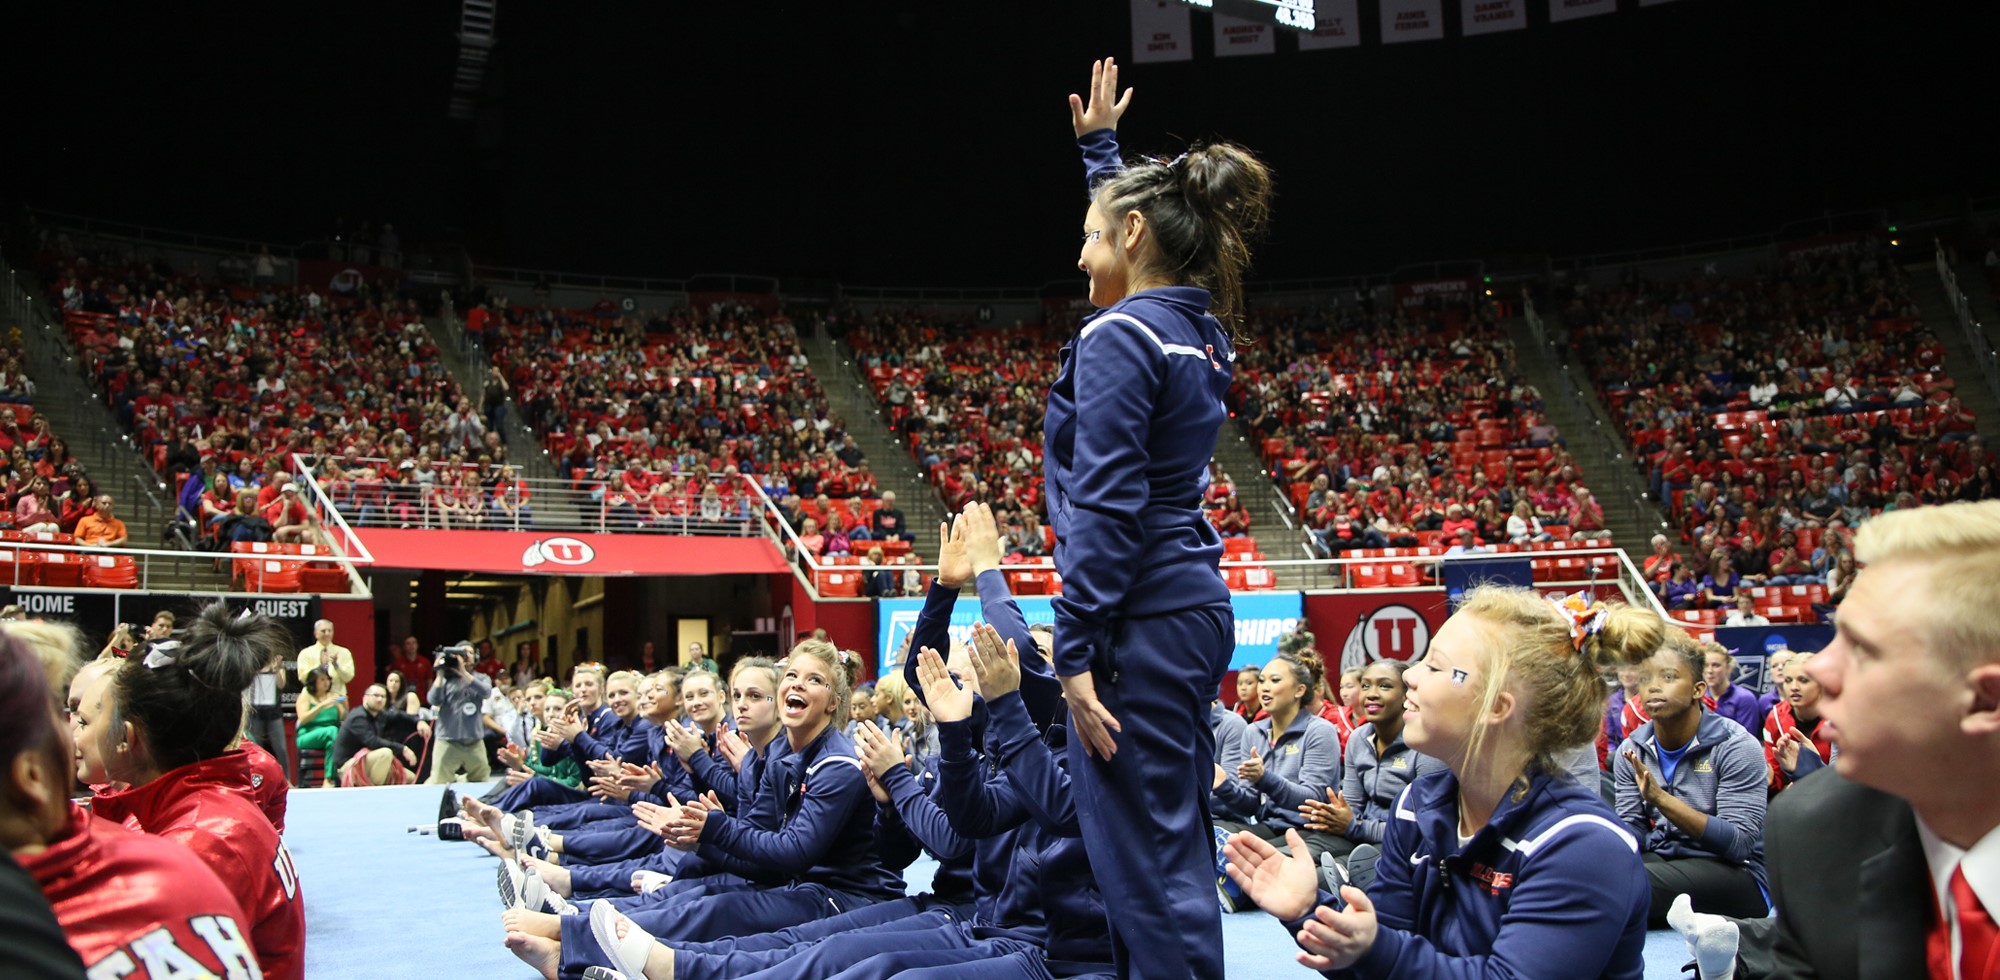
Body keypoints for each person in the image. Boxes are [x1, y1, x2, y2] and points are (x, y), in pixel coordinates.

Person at [1053, 56, 1273, 980]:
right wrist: (1101, 153)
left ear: (1134, 231)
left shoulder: (1118, 334)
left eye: (1090, 235)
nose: (1079, 254)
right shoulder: (1196, 323)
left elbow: (1105, 505)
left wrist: (1070, 651)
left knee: (1147, 869)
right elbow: (1141, 234)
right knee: (1165, 846)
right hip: (1181, 607)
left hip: (1136, 618)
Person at [1222, 587, 1653, 978]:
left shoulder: (1583, 844)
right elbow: (1382, 969)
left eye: (1433, 666)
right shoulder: (1417, 804)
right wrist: (1309, 910)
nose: (1410, 676)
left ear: (1496, 706)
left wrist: (1377, 947)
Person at [0, 623, 251, 980]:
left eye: (80, 717)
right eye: (64, 714)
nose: (73, 732)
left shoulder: (191, 847)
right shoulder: (166, 853)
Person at [71, 602, 307, 979]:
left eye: (87, 719)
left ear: (127, 738)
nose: (75, 732)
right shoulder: (204, 809)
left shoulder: (201, 841)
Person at [1613, 628, 1769, 926]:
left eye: (1668, 677)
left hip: (1737, 874)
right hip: (1666, 859)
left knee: (1622, 884)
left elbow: (1738, 844)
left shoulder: (1736, 745)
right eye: (1646, 679)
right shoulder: (1631, 750)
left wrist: (1661, 800)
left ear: (1698, 689)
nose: (1653, 688)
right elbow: (1632, 828)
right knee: (1595, 872)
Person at [1299, 660, 1448, 894]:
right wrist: (1333, 817)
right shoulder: (1359, 739)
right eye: (1366, 686)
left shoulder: (1425, 746)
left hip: (1404, 840)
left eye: (1385, 686)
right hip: (1361, 833)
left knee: (1313, 880)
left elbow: (1423, 827)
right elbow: (1353, 806)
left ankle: (1352, 881)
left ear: (1406, 696)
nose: (1371, 694)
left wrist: (1356, 826)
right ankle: (1349, 880)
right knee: (1299, 859)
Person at [1212, 649, 1343, 893]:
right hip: (1271, 826)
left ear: (1299, 690)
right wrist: (1223, 786)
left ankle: (1239, 887)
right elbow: (1250, 805)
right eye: (1262, 680)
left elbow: (1312, 798)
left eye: (1275, 680)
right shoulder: (1254, 732)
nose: (1264, 688)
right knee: (1217, 837)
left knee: (1263, 858)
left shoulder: (1320, 731)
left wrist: (1264, 778)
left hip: (1312, 830)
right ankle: (1234, 883)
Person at [1761, 651, 1834, 791]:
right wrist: (1767, 777)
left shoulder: (1838, 716)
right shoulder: (1775, 717)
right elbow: (1776, 777)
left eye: (1803, 680)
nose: (1794, 687)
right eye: (1788, 680)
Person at [331, 683, 423, 784]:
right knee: (385, 754)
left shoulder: (380, 715)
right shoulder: (358, 717)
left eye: (383, 696)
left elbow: (399, 716)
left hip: (370, 762)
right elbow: (372, 742)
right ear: (365, 698)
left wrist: (418, 721)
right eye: (376, 696)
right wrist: (403, 749)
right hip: (347, 767)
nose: (380, 699)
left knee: (410, 778)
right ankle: (375, 794)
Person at [429, 645, 496, 784]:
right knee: (438, 781)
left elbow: (486, 692)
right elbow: (433, 699)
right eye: (462, 653)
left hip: (474, 740)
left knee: (481, 779)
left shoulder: (482, 678)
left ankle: (462, 783)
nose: (466, 656)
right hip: (448, 740)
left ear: (475, 657)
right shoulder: (446, 679)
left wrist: (463, 673)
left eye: (469, 652)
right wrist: (440, 673)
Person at [293, 666, 345, 783]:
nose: (326, 682)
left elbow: (343, 717)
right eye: (322, 679)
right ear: (313, 681)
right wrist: (321, 705)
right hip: (307, 735)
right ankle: (334, 776)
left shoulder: (332, 696)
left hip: (331, 736)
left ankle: (328, 779)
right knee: (333, 731)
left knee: (332, 740)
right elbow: (303, 718)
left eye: (327, 679)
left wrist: (343, 704)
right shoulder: (306, 696)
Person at [1700, 643, 1763, 736]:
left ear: (1728, 668)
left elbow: (1747, 738)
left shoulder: (1744, 698)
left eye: (1716, 665)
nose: (1709, 671)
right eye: (1705, 665)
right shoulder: (1700, 698)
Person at [296, 617, 355, 688]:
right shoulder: (305, 653)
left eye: (330, 631)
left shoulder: (344, 652)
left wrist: (336, 666)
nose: (327, 634)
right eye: (323, 631)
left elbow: (348, 677)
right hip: (312, 696)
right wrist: (321, 667)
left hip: (337, 695)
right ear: (315, 633)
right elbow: (302, 677)